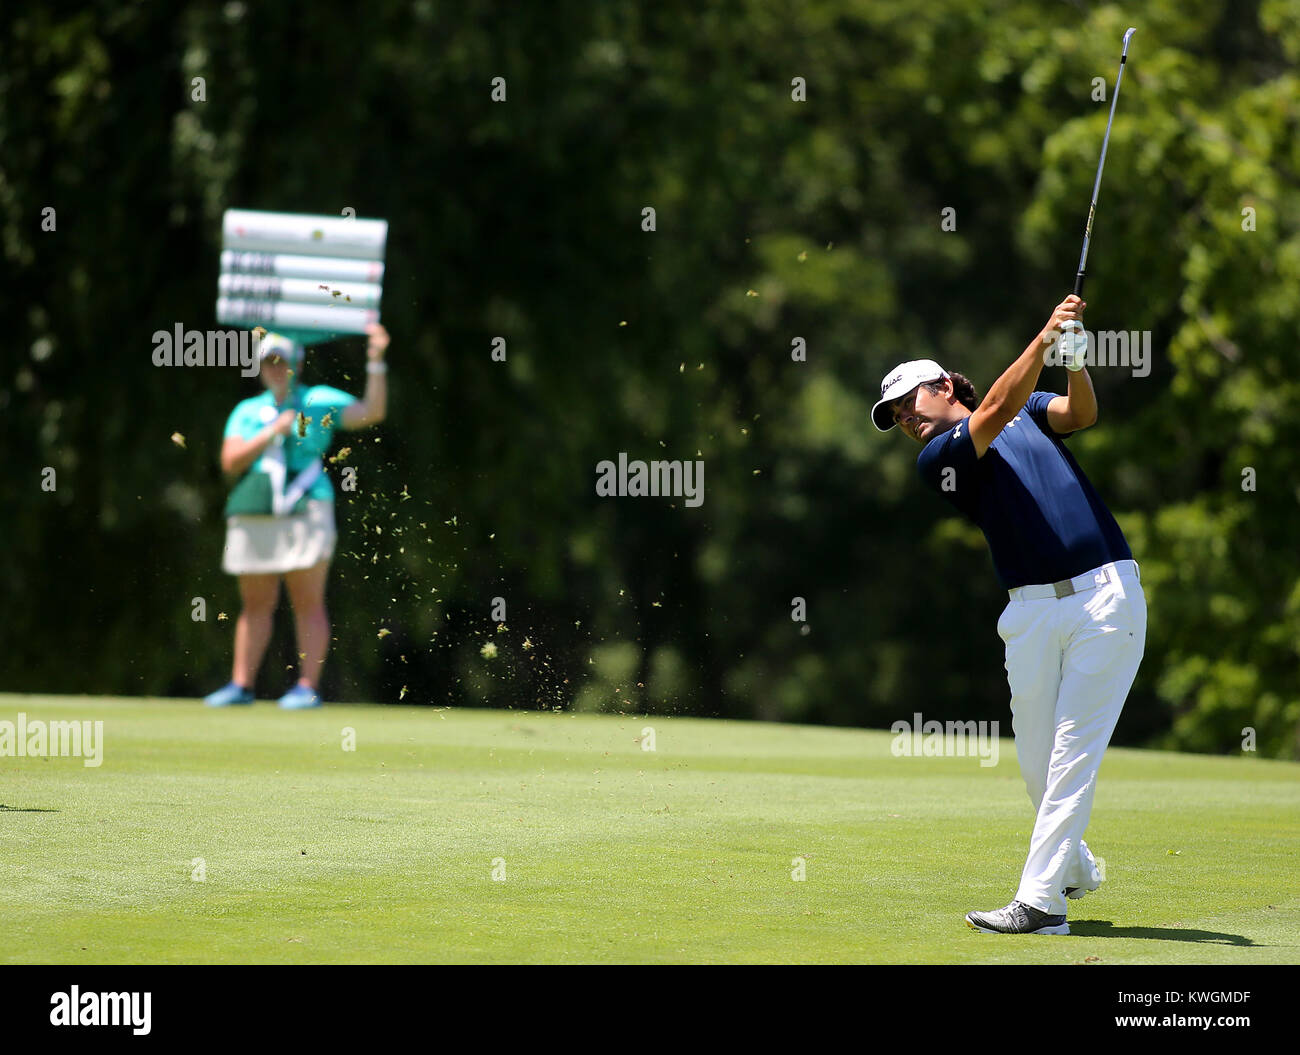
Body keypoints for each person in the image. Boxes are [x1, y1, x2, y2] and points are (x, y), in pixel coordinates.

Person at [871, 294, 1146, 935]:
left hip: (1103, 599)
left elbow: (1080, 414)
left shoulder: (1024, 407)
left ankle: (1041, 904)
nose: (906, 420)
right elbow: (991, 410)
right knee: (1036, 763)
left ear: (942, 385)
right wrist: (1045, 337)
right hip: (1028, 616)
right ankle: (1072, 868)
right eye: (895, 417)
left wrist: (1074, 359)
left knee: (1071, 755)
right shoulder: (940, 460)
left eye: (909, 403)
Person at [203, 324, 389, 709]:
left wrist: (376, 360)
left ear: (297, 365)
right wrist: (272, 431)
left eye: (282, 362)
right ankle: (241, 685)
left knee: (308, 600)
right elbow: (230, 462)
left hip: (306, 503)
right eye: (269, 362)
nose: (275, 369)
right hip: (256, 506)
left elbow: (371, 412)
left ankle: (306, 687)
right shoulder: (248, 411)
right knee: (255, 603)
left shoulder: (318, 400)